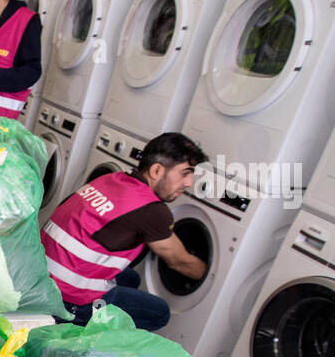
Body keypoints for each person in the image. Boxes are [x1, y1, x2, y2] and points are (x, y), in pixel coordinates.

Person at [41, 132, 209, 331]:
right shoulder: (152, 211)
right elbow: (180, 262)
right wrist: (217, 278)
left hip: (40, 276)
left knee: (131, 278)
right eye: (185, 173)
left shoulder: (112, 179)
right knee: (159, 312)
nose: (189, 183)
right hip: (67, 300)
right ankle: (76, 328)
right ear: (156, 170)